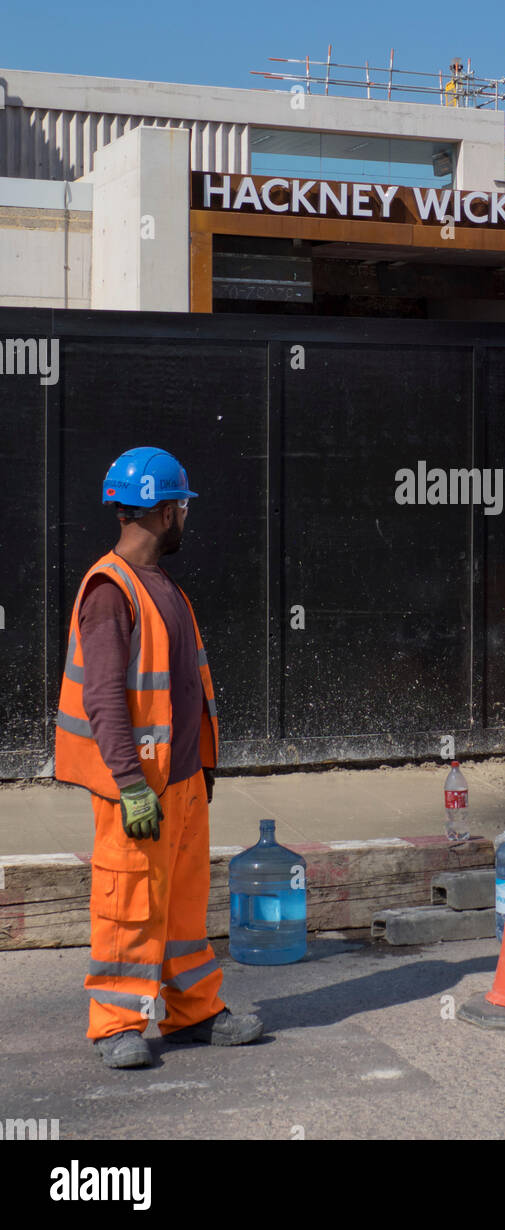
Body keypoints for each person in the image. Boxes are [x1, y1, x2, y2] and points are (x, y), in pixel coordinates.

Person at [55, 447, 264, 1069]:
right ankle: (116, 1024)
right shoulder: (109, 591)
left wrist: (198, 770)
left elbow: (181, 691)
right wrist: (127, 782)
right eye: (182, 507)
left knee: (180, 908)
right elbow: (103, 697)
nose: (185, 519)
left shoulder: (162, 588)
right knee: (128, 904)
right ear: (167, 510)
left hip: (179, 784)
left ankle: (193, 1012)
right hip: (136, 789)